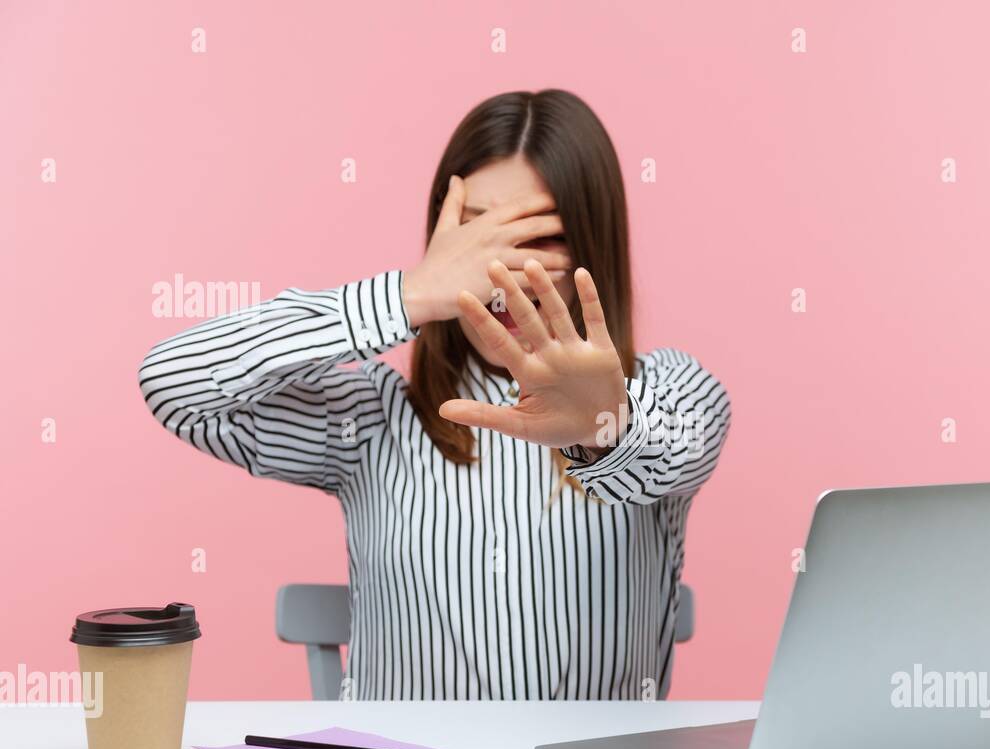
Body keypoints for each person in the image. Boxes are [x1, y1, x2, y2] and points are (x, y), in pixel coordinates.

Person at [138, 89, 730, 701]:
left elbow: (672, 447)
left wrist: (602, 426)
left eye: (538, 236)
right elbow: (176, 381)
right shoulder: (369, 417)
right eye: (475, 237)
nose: (501, 271)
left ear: (592, 244)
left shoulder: (670, 389)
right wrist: (410, 294)